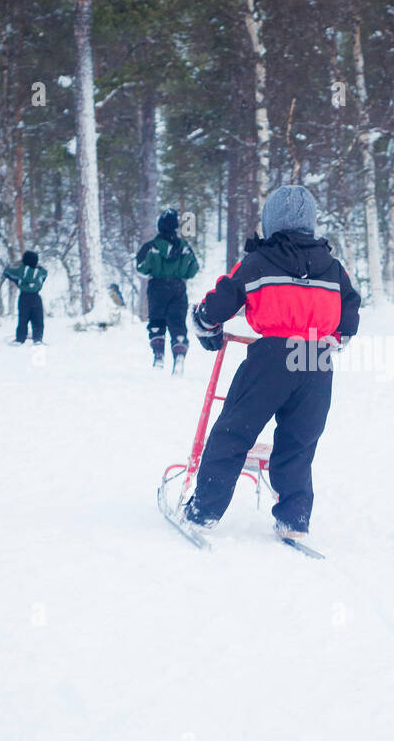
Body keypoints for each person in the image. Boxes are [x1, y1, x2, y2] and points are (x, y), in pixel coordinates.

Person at [183, 184, 361, 539]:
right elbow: (350, 314)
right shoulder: (332, 266)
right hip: (316, 360)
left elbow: (220, 301)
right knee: (299, 442)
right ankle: (294, 519)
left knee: (233, 432)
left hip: (272, 358)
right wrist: (331, 338)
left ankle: (204, 511)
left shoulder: (259, 261)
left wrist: (204, 322)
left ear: (271, 221)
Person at [136, 209, 200, 373]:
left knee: (156, 320)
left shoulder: (151, 247)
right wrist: (181, 272)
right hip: (178, 287)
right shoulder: (185, 247)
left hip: (157, 287)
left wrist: (154, 268)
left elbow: (141, 268)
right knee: (178, 322)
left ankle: (158, 357)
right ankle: (179, 355)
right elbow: (193, 269)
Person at [3, 250, 47, 344]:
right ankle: (38, 339)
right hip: (36, 297)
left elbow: (7, 273)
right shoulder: (39, 272)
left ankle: (20, 339)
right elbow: (45, 273)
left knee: (23, 319)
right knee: (38, 319)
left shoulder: (20, 271)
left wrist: (8, 268)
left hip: (24, 297)